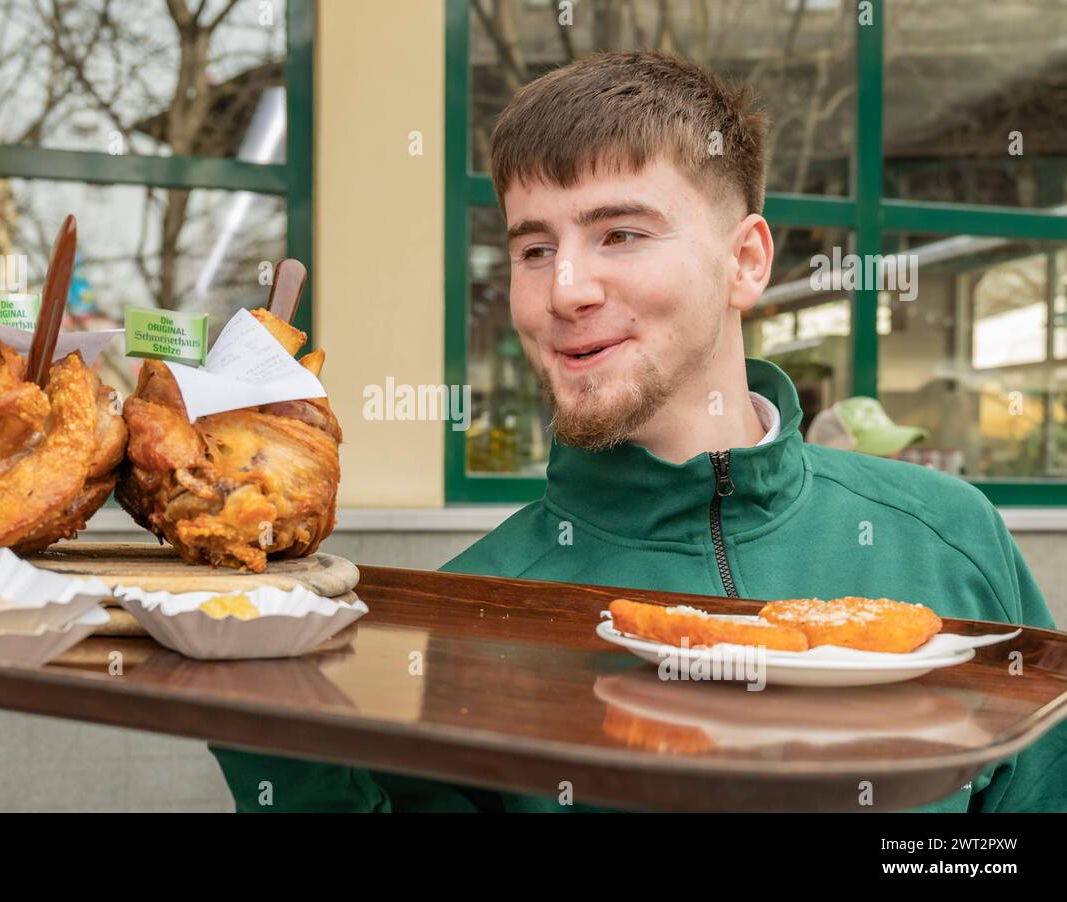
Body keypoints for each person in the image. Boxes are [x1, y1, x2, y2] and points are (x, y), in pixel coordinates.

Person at [209, 50, 1067, 812]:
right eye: (534, 249)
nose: (566, 289)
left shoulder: (949, 538)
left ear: (745, 262)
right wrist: (262, 698)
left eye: (619, 233)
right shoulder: (468, 613)